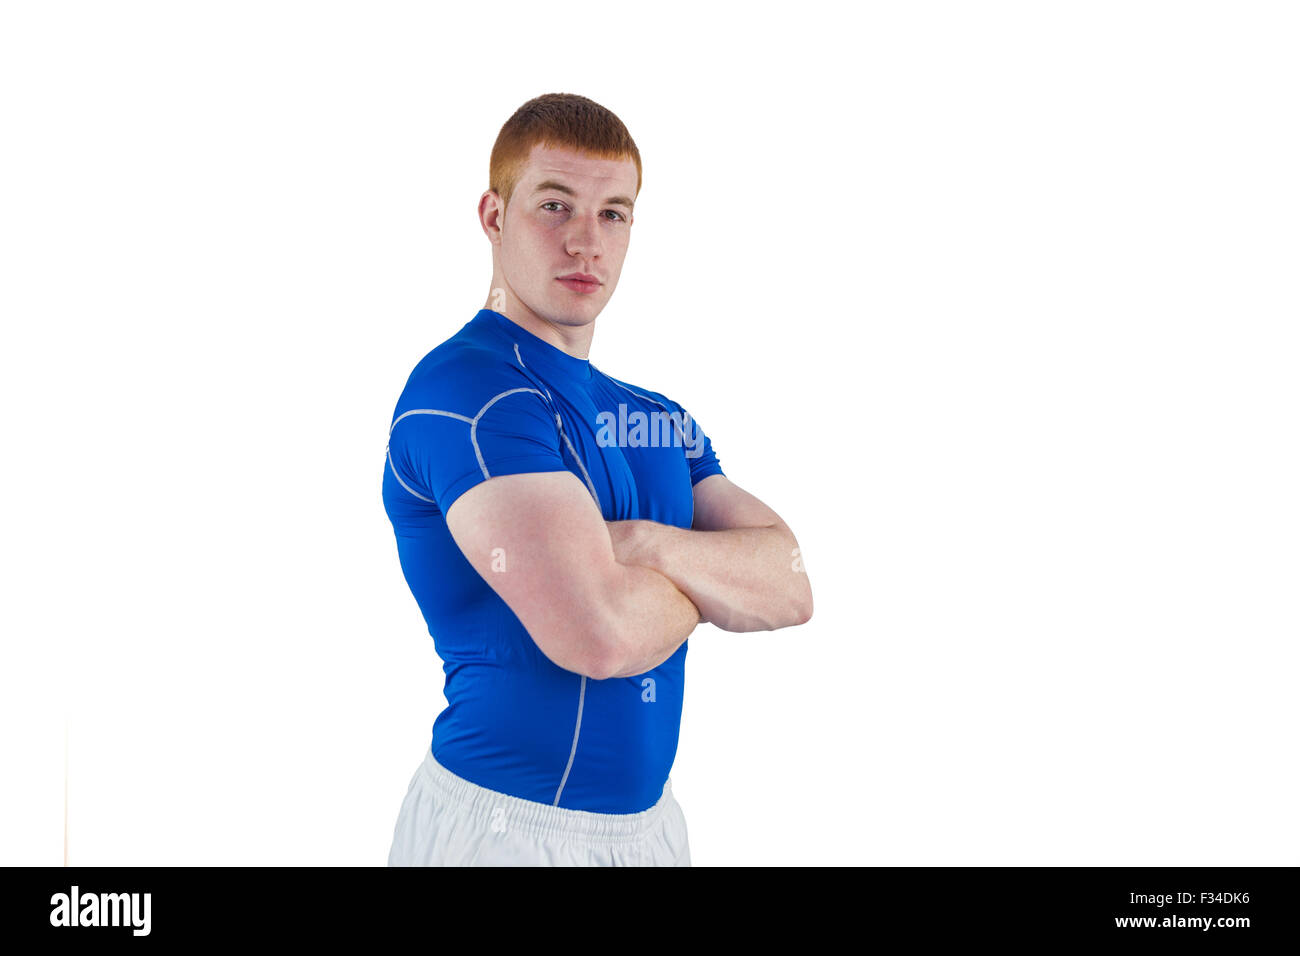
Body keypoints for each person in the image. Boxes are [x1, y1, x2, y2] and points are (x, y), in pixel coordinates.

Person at [382, 93, 813, 866]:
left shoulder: (653, 415)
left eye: (613, 213)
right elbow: (602, 636)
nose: (587, 242)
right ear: (493, 214)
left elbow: (788, 583)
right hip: (503, 833)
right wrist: (713, 583)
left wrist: (643, 544)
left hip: (651, 829)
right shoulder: (466, 396)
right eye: (556, 206)